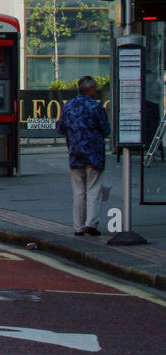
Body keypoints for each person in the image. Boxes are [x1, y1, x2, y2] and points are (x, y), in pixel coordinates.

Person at [57, 75, 111, 237]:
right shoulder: (96, 107)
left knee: (78, 191)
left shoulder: (68, 106)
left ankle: (78, 226)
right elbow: (106, 130)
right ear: (92, 89)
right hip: (94, 153)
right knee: (94, 189)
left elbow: (61, 128)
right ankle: (91, 224)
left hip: (75, 153)